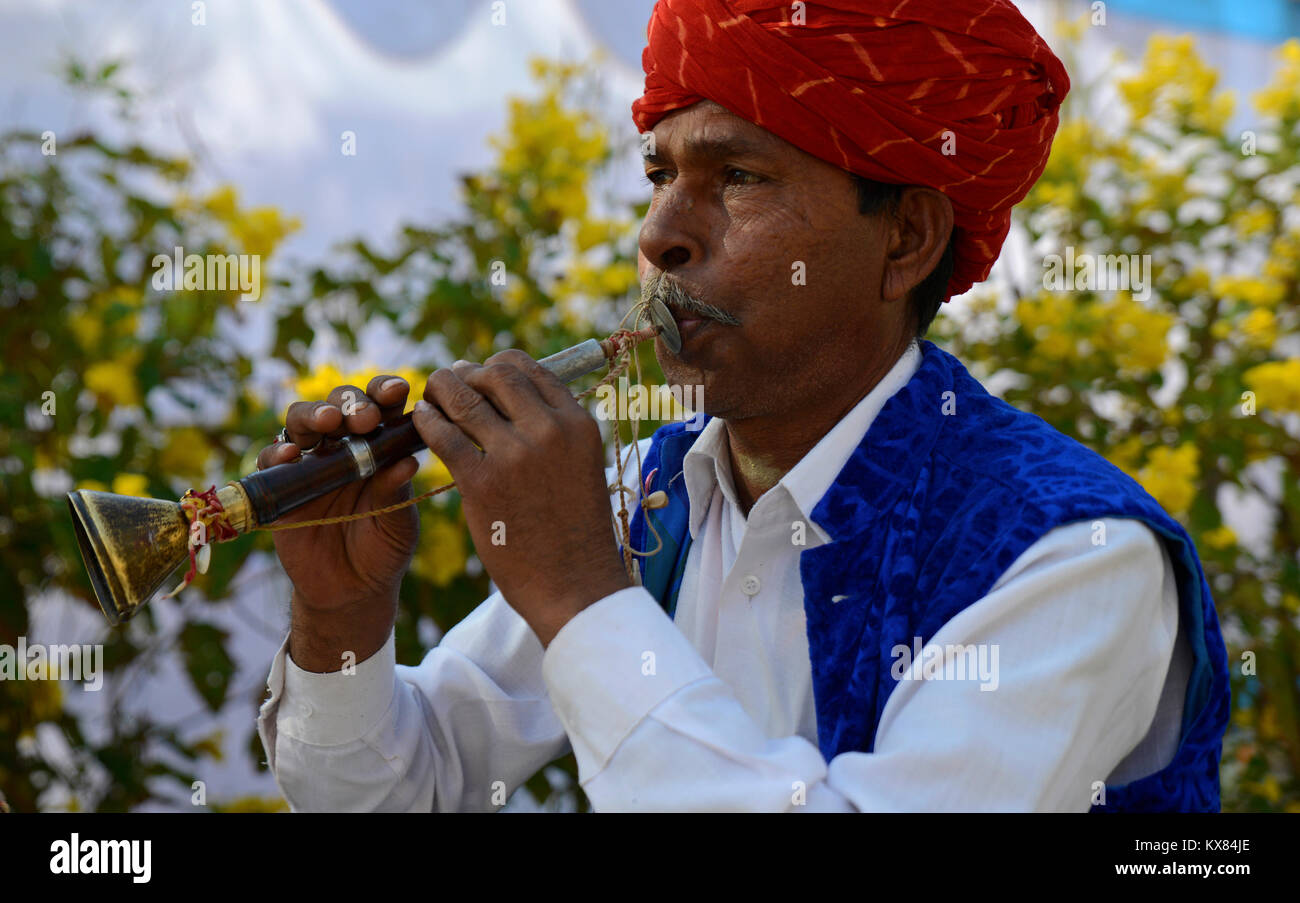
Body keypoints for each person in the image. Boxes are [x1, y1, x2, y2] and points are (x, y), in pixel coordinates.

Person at [255, 0, 1229, 811]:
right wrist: (341, 618)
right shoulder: (653, 493)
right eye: (659, 174)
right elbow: (398, 792)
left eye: (739, 179)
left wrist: (579, 597)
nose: (661, 236)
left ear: (906, 241)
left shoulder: (1069, 555)